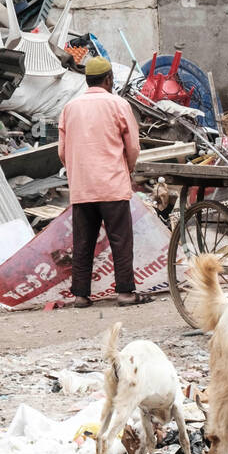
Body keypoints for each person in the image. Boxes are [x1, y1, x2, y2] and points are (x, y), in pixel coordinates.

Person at [57, 56, 148, 308]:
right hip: (112, 184)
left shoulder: (70, 108)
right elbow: (133, 147)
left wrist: (78, 172)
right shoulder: (118, 104)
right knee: (120, 239)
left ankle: (81, 295)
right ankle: (126, 292)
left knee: (83, 241)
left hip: (82, 187)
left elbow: (62, 152)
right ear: (108, 79)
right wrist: (126, 169)